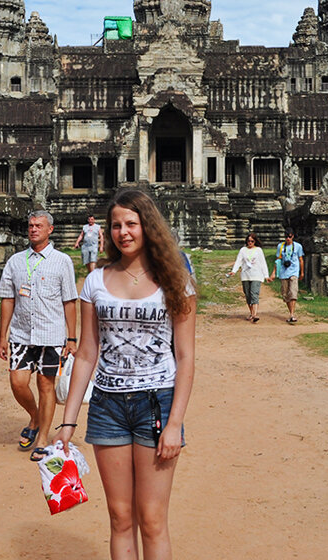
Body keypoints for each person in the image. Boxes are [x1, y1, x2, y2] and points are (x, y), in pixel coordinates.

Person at [53, 187, 196, 560]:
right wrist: (67, 422)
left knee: (151, 519)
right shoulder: (96, 281)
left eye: (131, 223)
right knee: (119, 517)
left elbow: (186, 356)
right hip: (108, 406)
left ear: (147, 226)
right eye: (116, 225)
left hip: (157, 404)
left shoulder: (174, 279)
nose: (123, 232)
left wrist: (175, 422)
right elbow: (86, 354)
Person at [0, 210, 78, 460]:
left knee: (46, 385)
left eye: (39, 226)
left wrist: (72, 337)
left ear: (50, 229)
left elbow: (69, 301)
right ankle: (35, 416)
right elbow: (8, 299)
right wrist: (2, 336)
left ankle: (42, 437)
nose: (33, 229)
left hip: (51, 334)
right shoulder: (16, 261)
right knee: (17, 382)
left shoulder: (62, 261)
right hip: (21, 334)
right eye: (30, 225)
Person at [227, 232, 268, 323]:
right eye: (249, 241)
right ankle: (252, 313)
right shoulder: (243, 250)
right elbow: (238, 261)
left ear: (255, 242)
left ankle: (254, 315)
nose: (250, 243)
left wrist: (266, 275)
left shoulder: (258, 250)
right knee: (248, 295)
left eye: (252, 241)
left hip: (256, 275)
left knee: (254, 294)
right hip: (246, 275)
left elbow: (263, 263)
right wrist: (234, 271)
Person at [270, 229, 305, 323]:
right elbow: (278, 260)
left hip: (294, 272)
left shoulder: (298, 246)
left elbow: (301, 259)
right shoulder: (280, 246)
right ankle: (291, 312)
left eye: (290, 236)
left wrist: (302, 272)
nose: (288, 239)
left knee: (293, 292)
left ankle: (292, 314)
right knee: (286, 294)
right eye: (286, 237)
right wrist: (274, 273)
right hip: (283, 272)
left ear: (293, 236)